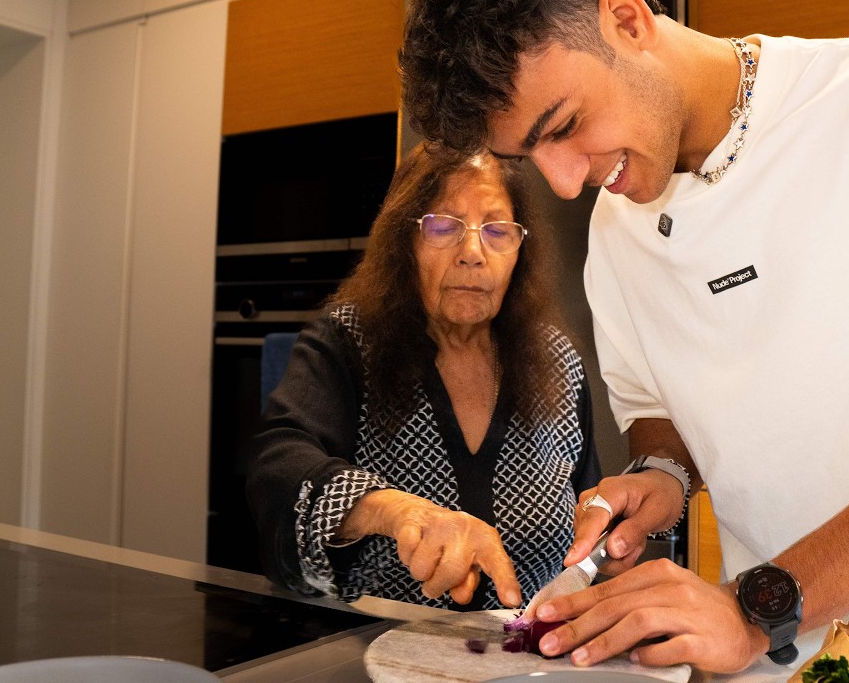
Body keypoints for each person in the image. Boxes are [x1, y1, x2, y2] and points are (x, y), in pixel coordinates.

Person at [398, 0, 849, 681]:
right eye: (531, 155)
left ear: (626, 19)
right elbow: (663, 422)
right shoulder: (615, 232)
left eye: (566, 126)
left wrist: (755, 610)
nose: (566, 182)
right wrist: (661, 477)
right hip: (782, 664)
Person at [245, 143, 601, 611]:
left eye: (497, 230)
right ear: (405, 243)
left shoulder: (556, 360)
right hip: (372, 644)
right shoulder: (349, 341)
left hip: (530, 648)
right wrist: (397, 511)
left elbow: (590, 517)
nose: (472, 252)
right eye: (444, 226)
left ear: (521, 250)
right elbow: (278, 468)